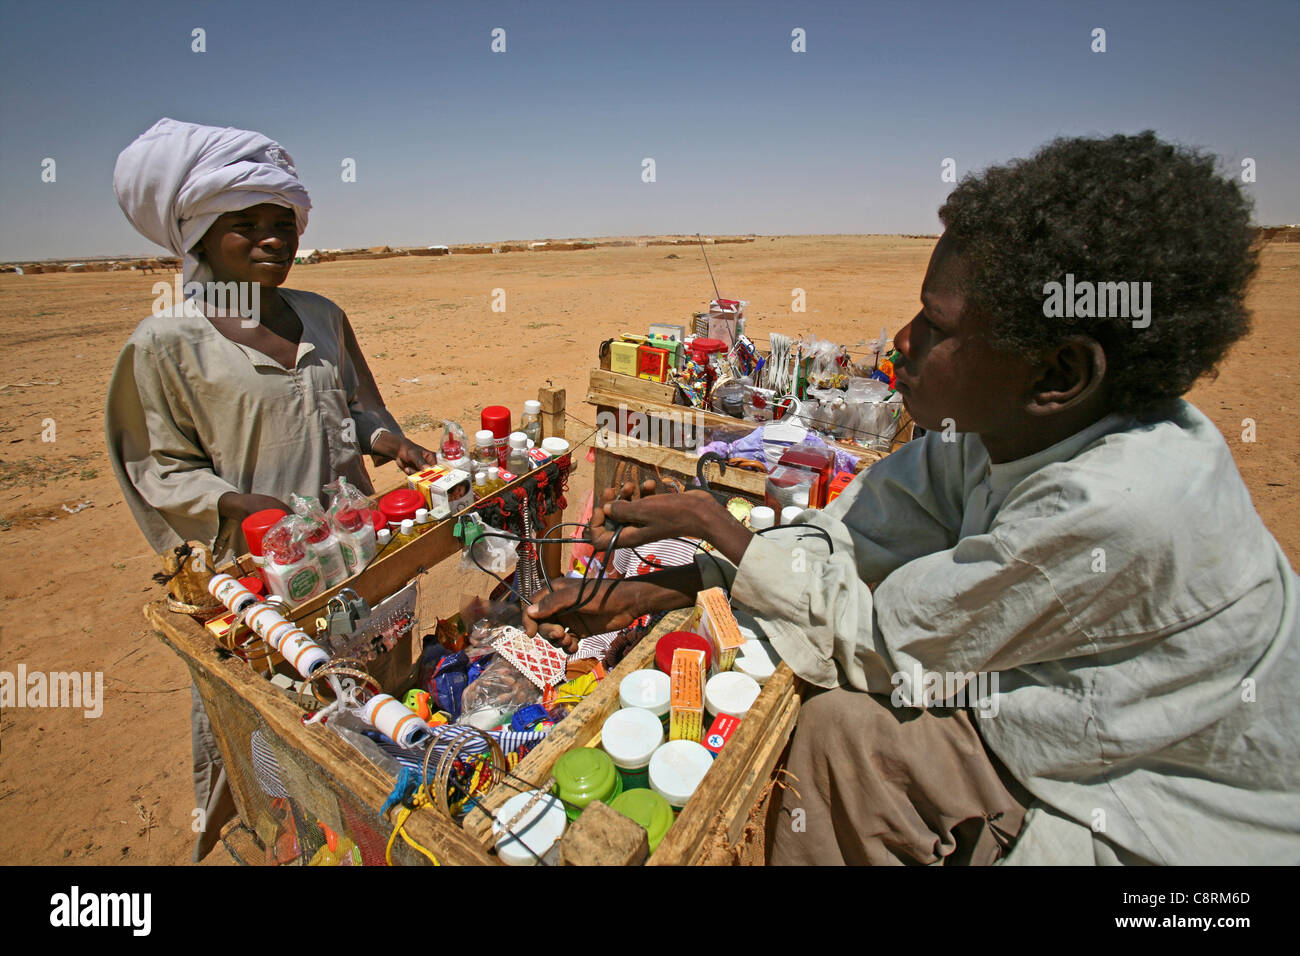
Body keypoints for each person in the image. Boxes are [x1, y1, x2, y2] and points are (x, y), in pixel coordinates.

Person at [525, 131, 1300, 865]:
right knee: (846, 734)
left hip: (1166, 814)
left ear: (1059, 374)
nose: (901, 341)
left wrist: (709, 523)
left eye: (936, 324)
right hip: (1056, 722)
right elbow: (852, 536)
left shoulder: (1121, 506)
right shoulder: (999, 434)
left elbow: (884, 646)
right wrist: (662, 585)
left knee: (842, 743)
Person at [105, 118, 438, 859]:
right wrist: (238, 505)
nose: (271, 240)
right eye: (245, 224)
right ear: (198, 238)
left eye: (282, 223)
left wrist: (391, 441)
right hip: (261, 582)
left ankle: (373, 821)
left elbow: (356, 406)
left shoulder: (321, 315)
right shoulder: (165, 343)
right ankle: (266, 837)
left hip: (357, 552)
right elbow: (157, 466)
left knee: (371, 690)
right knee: (268, 726)